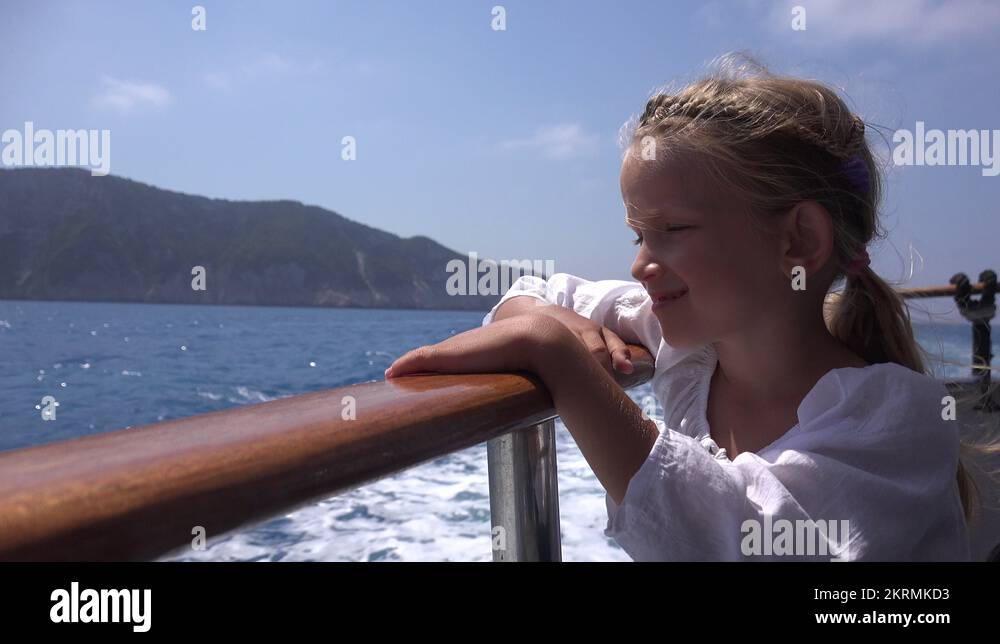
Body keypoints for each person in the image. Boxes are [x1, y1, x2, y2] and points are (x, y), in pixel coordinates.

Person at [384, 54, 971, 561]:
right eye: (638, 234)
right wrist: (546, 322)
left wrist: (556, 355)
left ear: (799, 242)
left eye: (672, 229)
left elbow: (736, 539)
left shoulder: (896, 422)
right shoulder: (691, 351)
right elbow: (536, 295)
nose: (640, 264)